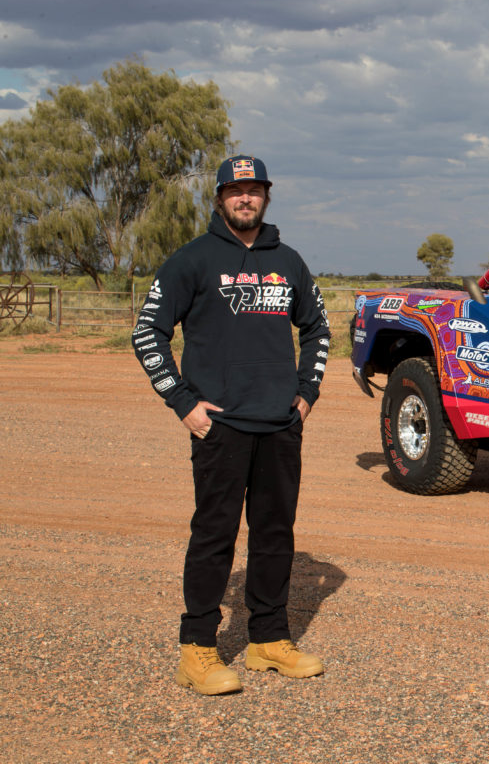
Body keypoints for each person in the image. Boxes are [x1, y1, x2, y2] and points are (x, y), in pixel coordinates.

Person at [132, 155, 331, 695]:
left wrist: (306, 394)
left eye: (254, 189)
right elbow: (147, 332)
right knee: (214, 535)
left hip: (279, 424)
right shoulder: (191, 260)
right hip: (218, 426)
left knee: (274, 535)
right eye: (235, 190)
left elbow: (318, 329)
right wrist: (183, 402)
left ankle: (268, 639)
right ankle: (197, 650)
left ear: (266, 196)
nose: (246, 198)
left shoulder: (288, 262)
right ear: (220, 198)